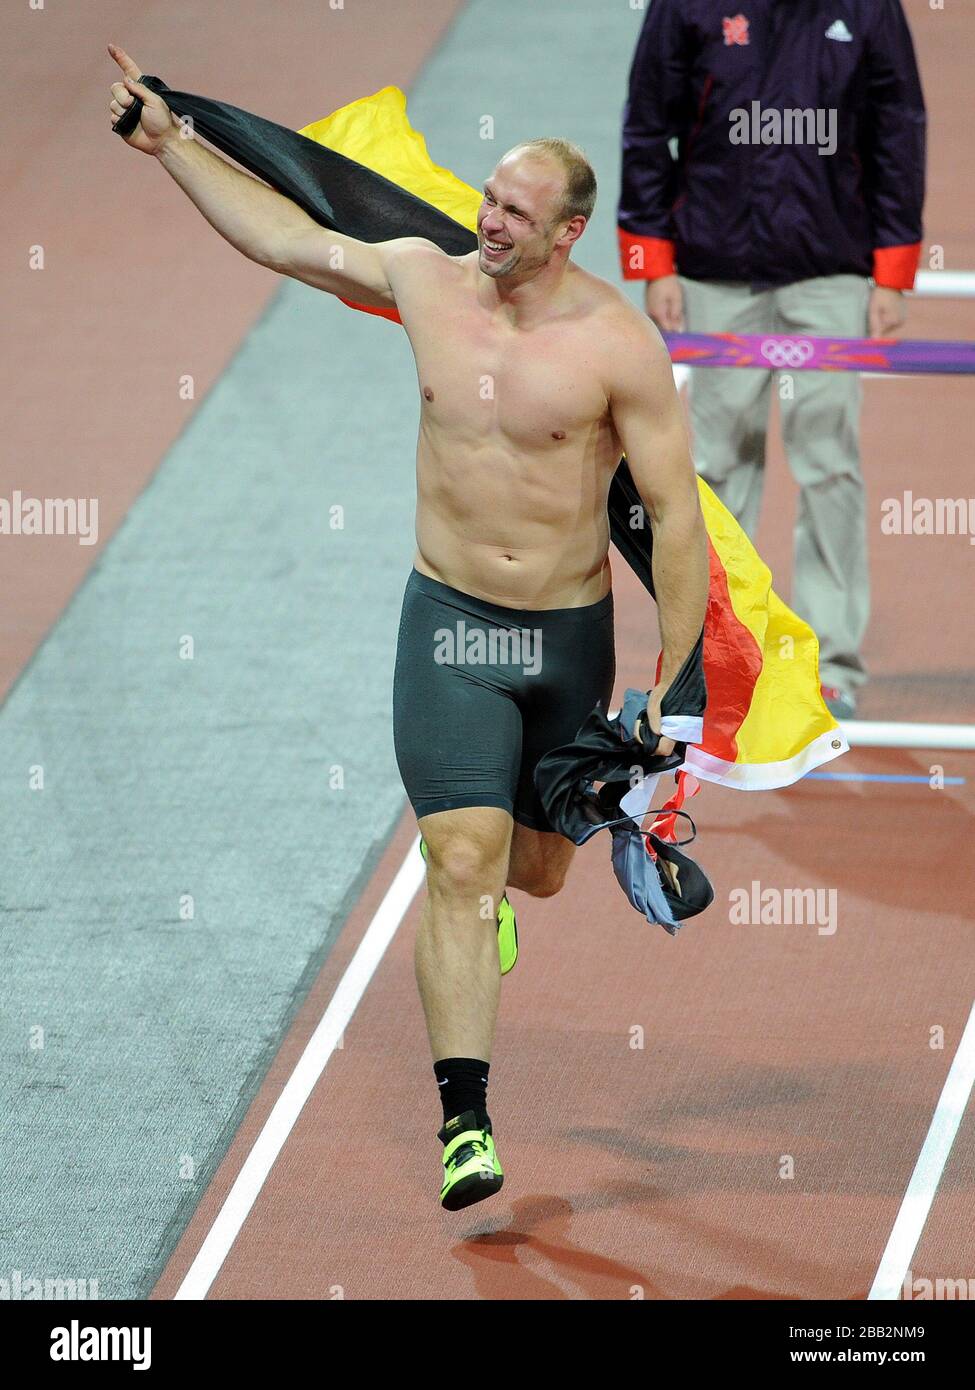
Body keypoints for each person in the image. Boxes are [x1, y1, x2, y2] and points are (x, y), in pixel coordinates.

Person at [109, 43, 709, 1210]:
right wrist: (175, 146)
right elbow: (287, 239)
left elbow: (677, 527)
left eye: (514, 212)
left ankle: (519, 877)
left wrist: (671, 688)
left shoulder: (618, 348)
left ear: (567, 233)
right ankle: (467, 1122)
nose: (487, 220)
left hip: (565, 638)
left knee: (533, 873)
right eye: (487, 197)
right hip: (449, 630)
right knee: (461, 861)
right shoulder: (424, 278)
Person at [618, 0, 926, 719]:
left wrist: (891, 273)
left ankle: (830, 666)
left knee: (827, 461)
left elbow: (897, 131)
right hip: (715, 267)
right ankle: (718, 656)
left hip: (831, 270)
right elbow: (646, 123)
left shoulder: (867, 8)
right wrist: (652, 261)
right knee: (718, 463)